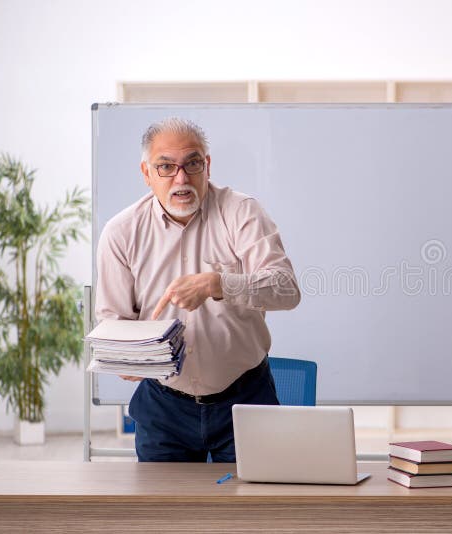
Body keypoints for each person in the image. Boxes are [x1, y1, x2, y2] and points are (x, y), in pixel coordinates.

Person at [95, 117, 300, 462]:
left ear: (207, 165)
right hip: (164, 408)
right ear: (146, 173)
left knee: (254, 498)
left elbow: (286, 288)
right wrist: (128, 358)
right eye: (166, 167)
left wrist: (217, 284)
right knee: (166, 500)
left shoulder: (241, 212)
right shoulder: (121, 233)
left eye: (192, 164)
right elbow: (113, 322)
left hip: (245, 397)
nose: (181, 178)